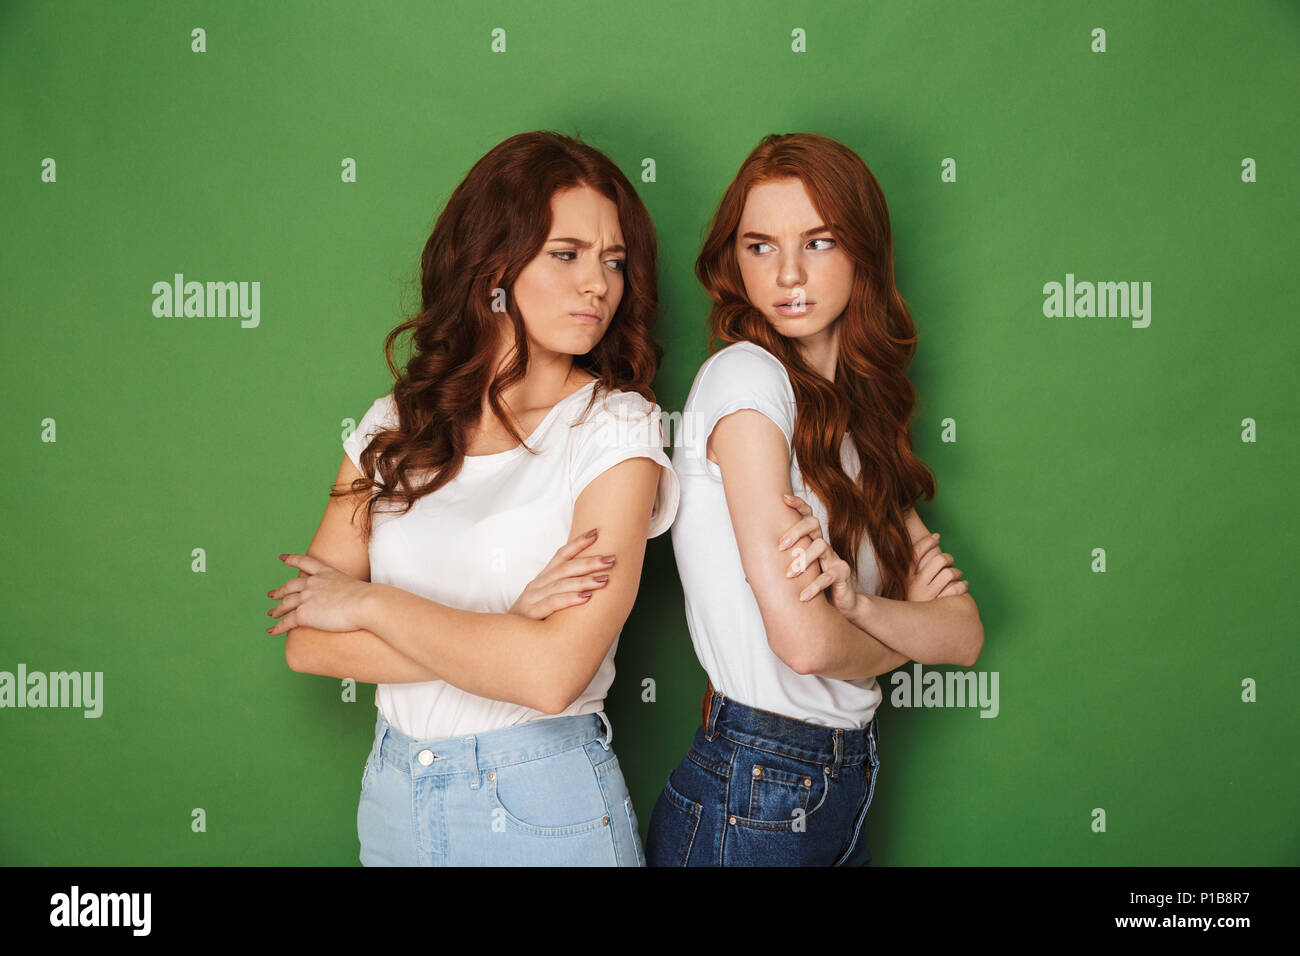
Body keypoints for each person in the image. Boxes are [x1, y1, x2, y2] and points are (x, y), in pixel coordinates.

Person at [265, 131, 679, 866]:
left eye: (614, 261)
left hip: (542, 802)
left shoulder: (618, 430)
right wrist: (509, 626)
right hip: (394, 798)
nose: (599, 284)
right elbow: (307, 643)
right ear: (493, 265)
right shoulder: (393, 423)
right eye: (567, 254)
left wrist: (368, 605)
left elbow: (551, 676)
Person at [645, 132, 983, 867]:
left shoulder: (854, 422)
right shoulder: (745, 380)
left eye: (819, 242)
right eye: (759, 246)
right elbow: (805, 646)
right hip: (756, 786)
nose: (788, 274)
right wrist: (904, 630)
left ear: (863, 251)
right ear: (732, 259)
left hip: (839, 785)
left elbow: (964, 637)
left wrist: (857, 610)